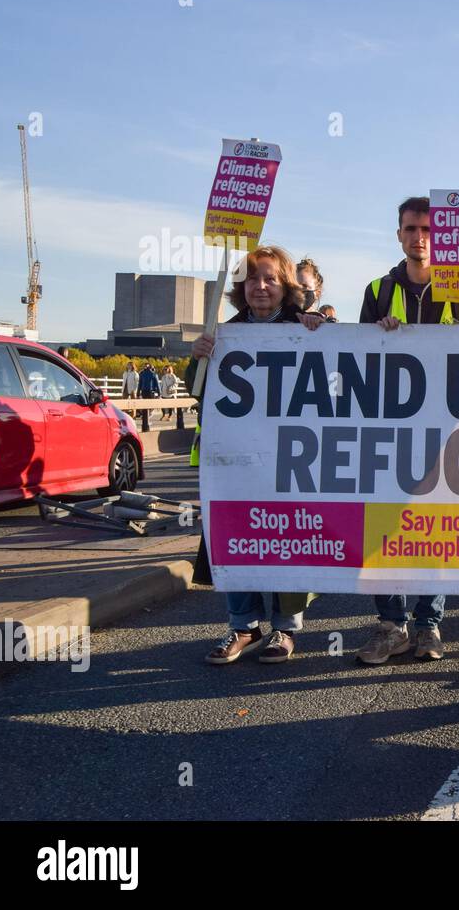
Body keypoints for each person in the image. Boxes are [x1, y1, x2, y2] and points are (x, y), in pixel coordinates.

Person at [353, 196, 459, 666]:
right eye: (410, 229)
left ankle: (428, 625)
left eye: (427, 229)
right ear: (399, 234)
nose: (419, 237)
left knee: (436, 528)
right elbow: (354, 357)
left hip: (446, 431)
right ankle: (392, 626)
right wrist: (376, 334)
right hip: (390, 430)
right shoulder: (378, 290)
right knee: (383, 526)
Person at [188, 245, 320, 665]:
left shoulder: (306, 328)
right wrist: (198, 361)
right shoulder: (223, 334)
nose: (260, 287)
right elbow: (199, 394)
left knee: (289, 536)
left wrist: (321, 326)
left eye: (270, 279)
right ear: (240, 287)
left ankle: (285, 628)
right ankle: (242, 625)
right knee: (234, 532)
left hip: (291, 461)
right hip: (238, 462)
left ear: (285, 285)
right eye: (251, 279)